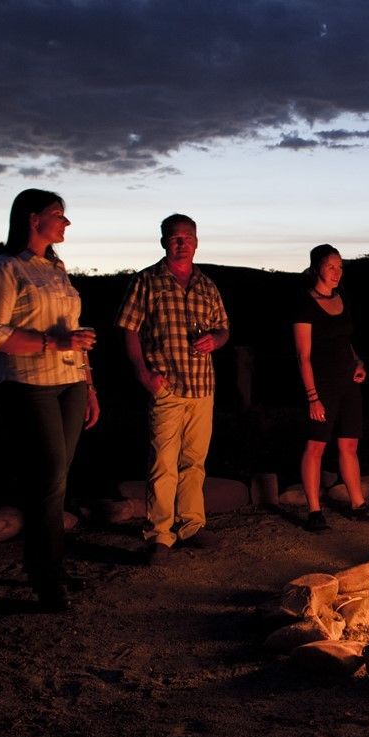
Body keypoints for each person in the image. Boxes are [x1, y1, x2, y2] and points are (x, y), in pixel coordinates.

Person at [0, 189, 100, 613]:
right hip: (30, 383)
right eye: (59, 215)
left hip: (70, 382)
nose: (66, 224)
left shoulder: (58, 270)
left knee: (57, 479)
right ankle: (47, 576)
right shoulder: (5, 268)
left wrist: (90, 385)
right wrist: (52, 341)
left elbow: (75, 330)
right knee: (47, 478)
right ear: (33, 219)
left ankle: (48, 566)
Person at [116, 214, 231, 566]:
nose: (181, 242)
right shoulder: (147, 281)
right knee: (163, 462)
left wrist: (217, 339)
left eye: (187, 237)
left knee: (194, 461)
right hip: (166, 383)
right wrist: (143, 373)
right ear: (164, 241)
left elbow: (223, 329)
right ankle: (160, 535)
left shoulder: (207, 285)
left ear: (197, 241)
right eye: (174, 237)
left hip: (202, 385)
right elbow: (130, 329)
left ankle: (192, 525)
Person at [292, 244, 369, 531]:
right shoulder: (304, 303)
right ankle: (314, 511)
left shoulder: (341, 297)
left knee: (349, 444)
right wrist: (312, 397)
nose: (337, 272)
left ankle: (357, 504)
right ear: (316, 268)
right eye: (331, 266)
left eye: (340, 266)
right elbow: (303, 356)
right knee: (316, 446)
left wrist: (358, 362)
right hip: (321, 386)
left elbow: (344, 340)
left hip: (348, 383)